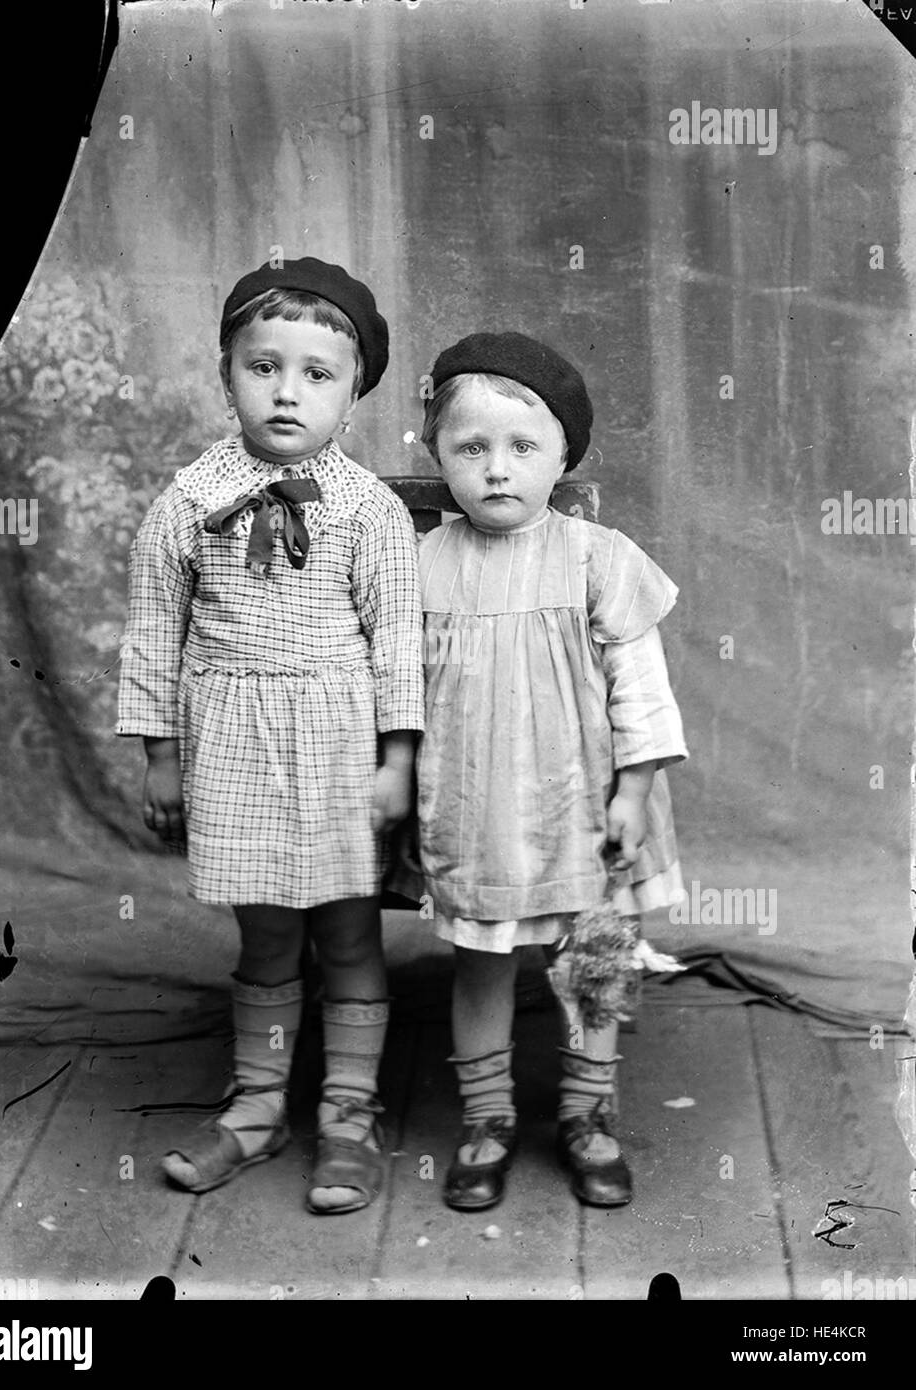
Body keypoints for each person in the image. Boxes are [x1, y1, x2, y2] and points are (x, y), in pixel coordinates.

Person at [116, 257, 424, 1215]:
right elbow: (152, 630)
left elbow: (400, 644)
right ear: (227, 373)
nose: (287, 391)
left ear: (354, 392)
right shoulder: (186, 501)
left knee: (346, 931)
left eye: (317, 374)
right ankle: (256, 1108)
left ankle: (348, 1112)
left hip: (336, 741)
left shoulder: (367, 510)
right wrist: (160, 756)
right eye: (263, 366)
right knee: (264, 936)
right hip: (232, 740)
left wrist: (398, 761)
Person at [415, 331, 688, 1211]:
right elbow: (393, 686)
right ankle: (486, 1119)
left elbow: (640, 690)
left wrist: (635, 791)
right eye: (471, 448)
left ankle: (586, 1114)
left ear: (562, 453)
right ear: (438, 456)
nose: (497, 469)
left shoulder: (597, 557)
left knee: (595, 959)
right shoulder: (422, 565)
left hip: (584, 801)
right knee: (482, 964)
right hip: (477, 808)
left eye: (522, 447)